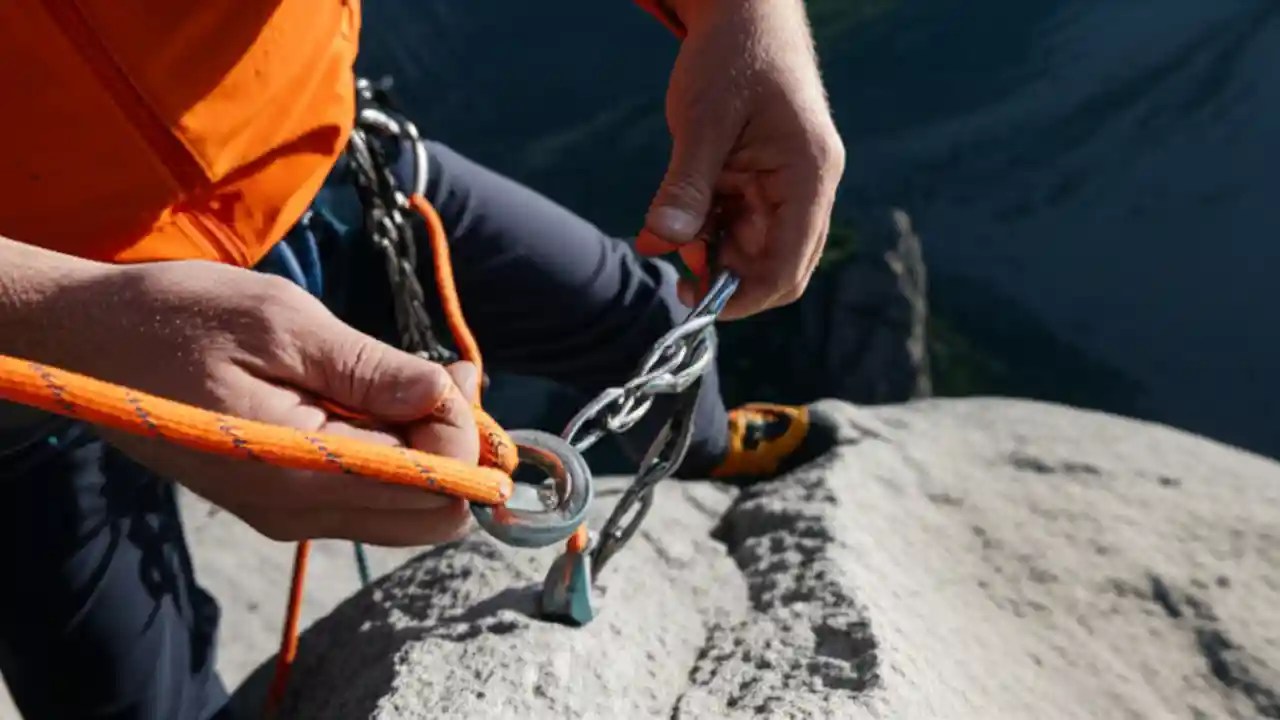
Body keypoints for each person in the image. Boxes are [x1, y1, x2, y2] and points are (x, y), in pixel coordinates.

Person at [0, 0, 845, 717]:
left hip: (324, 176)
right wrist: (58, 315)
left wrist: (744, 15)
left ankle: (703, 448)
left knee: (647, 321)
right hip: (28, 358)